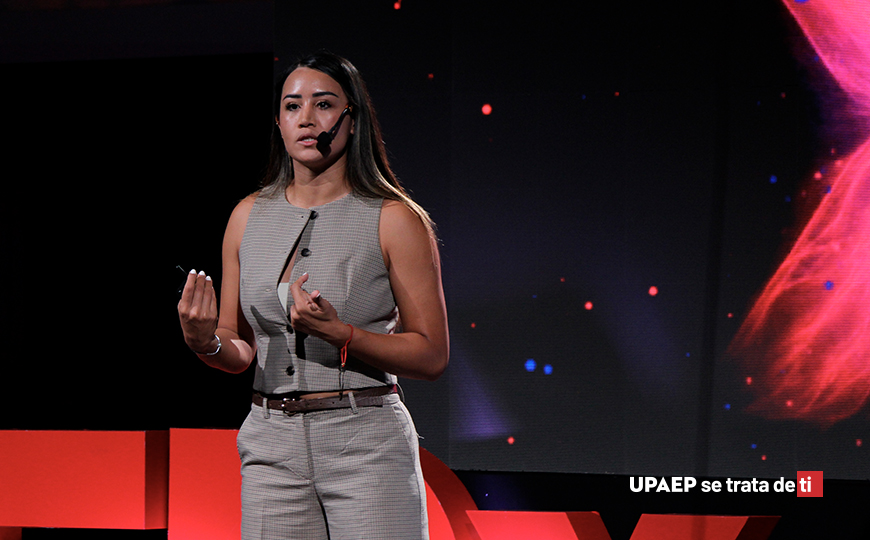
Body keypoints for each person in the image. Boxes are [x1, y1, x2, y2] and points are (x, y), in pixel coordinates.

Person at [177, 51, 449, 540]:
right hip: (270, 447)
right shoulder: (246, 217)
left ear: (352, 119)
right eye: (291, 106)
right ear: (278, 122)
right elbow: (237, 348)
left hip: (365, 442)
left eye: (323, 104)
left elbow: (431, 353)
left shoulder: (393, 218)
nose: (306, 119)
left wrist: (341, 333)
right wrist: (205, 342)